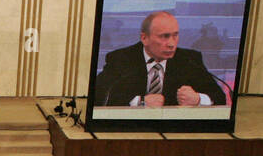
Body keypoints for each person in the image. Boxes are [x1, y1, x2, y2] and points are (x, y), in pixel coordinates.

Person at [94, 11, 226, 108]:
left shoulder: (189, 60)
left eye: (175, 36)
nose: (171, 43)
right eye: (164, 36)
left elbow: (220, 97)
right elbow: (99, 96)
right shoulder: (121, 59)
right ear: (144, 38)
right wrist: (140, 102)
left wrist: (198, 99)